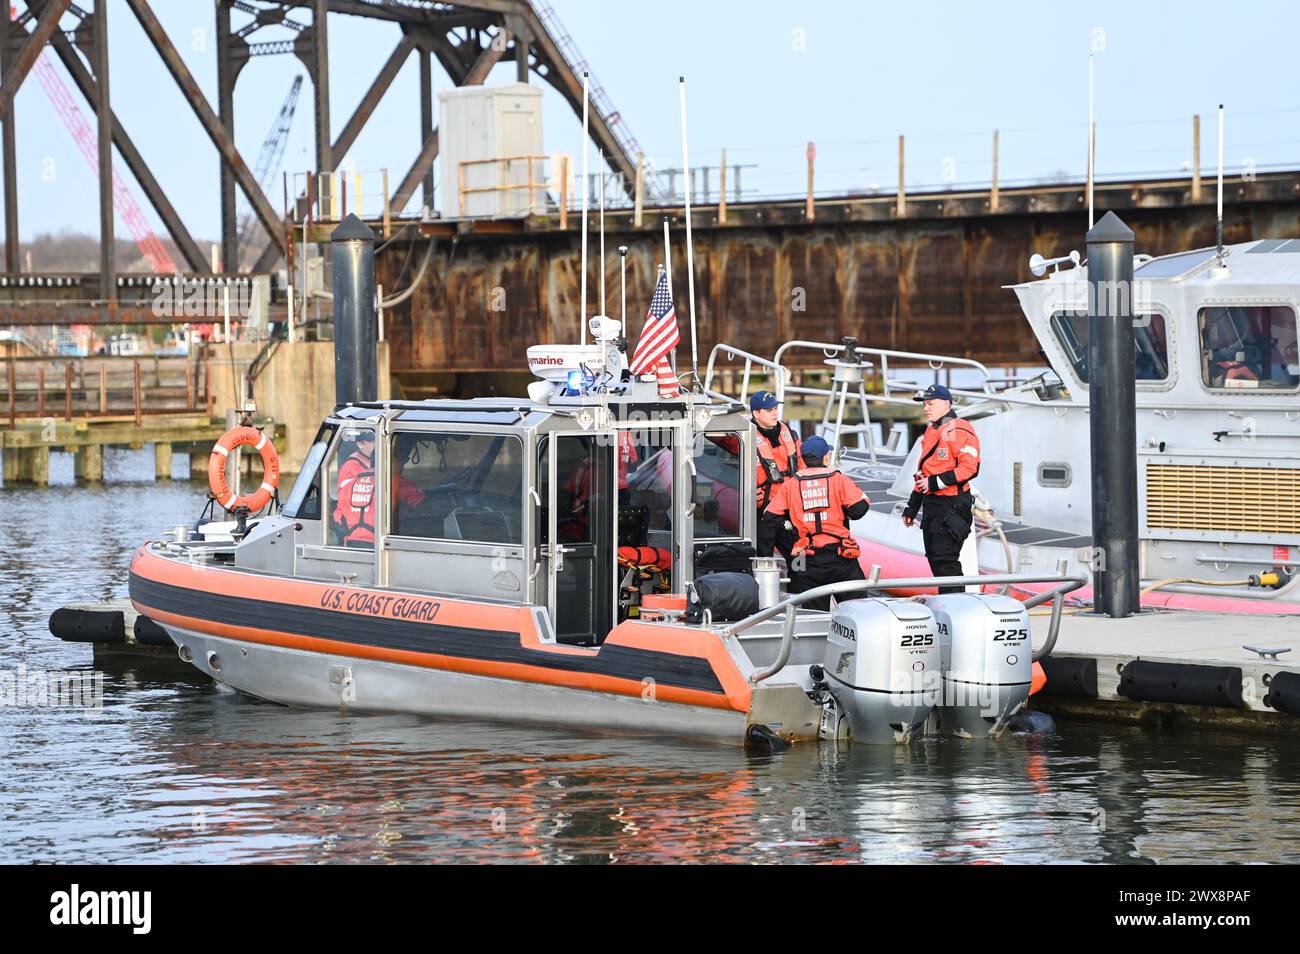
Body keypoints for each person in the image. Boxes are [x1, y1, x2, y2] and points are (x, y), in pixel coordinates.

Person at [763, 435, 870, 611]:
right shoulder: (839, 480)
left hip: (808, 558)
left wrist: (790, 521)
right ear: (826, 457)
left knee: (812, 614)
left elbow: (769, 517)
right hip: (841, 557)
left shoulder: (791, 484)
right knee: (857, 610)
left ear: (803, 460)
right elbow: (859, 509)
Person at [901, 384, 981, 594]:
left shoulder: (958, 429)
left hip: (952, 506)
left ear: (946, 404)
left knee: (946, 562)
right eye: (925, 405)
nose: (926, 409)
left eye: (931, 404)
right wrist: (912, 506)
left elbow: (970, 467)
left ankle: (956, 607)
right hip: (934, 506)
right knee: (936, 560)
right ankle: (950, 606)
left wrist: (935, 483)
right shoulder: (933, 430)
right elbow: (925, 471)